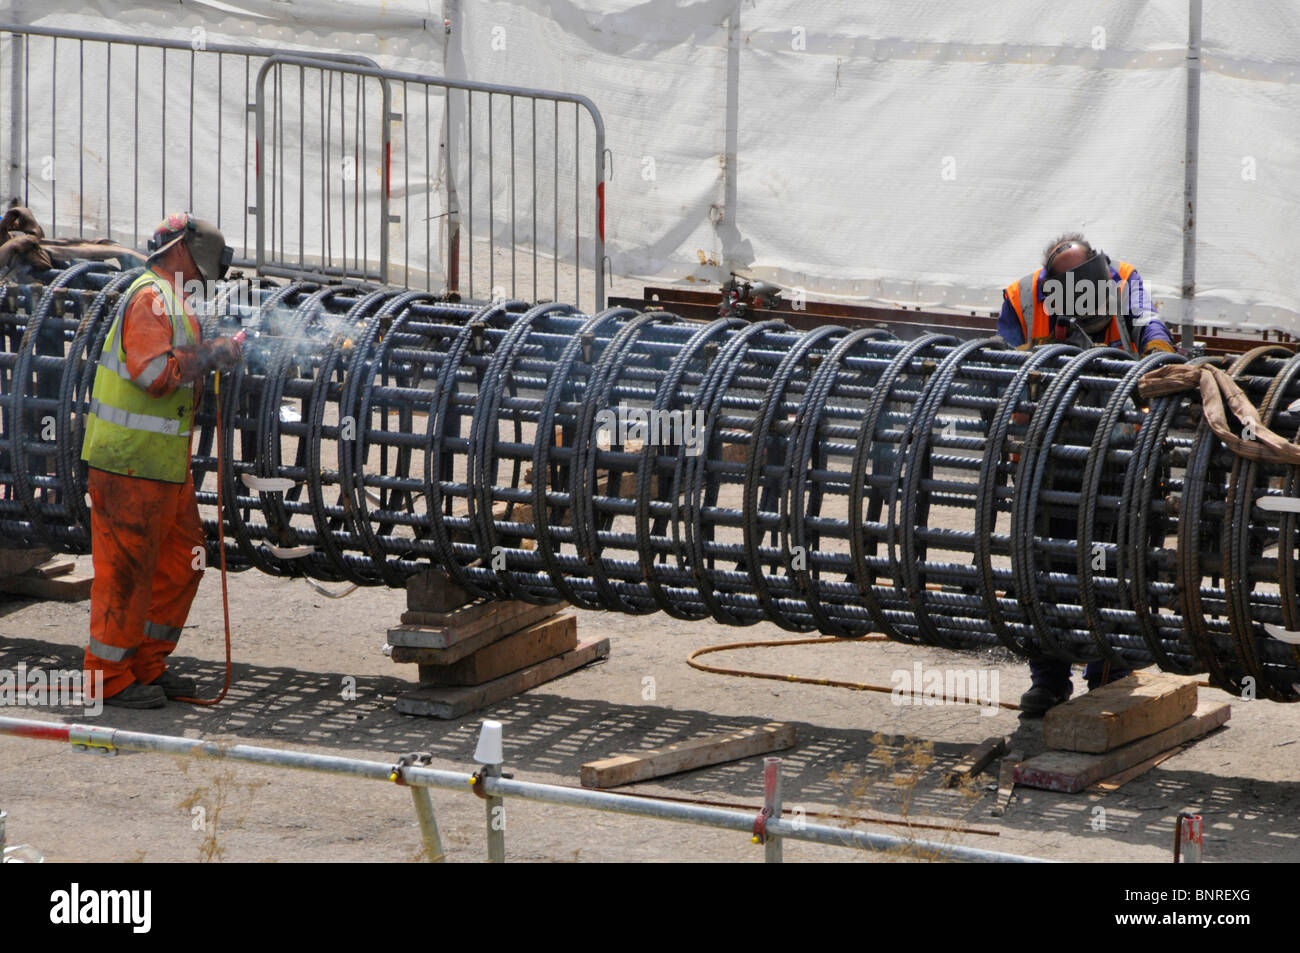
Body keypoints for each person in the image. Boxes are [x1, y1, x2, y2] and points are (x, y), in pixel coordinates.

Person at [998, 233, 1175, 716]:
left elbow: (1150, 325)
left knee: (1107, 560)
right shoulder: (1022, 297)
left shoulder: (1123, 281)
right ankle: (1049, 679)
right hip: (1046, 456)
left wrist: (1158, 358)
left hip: (1115, 453)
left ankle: (1108, 670)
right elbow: (1004, 362)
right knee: (1042, 565)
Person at [80, 213, 242, 709]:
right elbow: (154, 373)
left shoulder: (174, 301)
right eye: (200, 268)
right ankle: (107, 678)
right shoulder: (151, 298)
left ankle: (144, 663)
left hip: (163, 469)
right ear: (180, 253)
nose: (201, 278)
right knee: (125, 572)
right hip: (128, 466)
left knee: (182, 561)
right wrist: (214, 354)